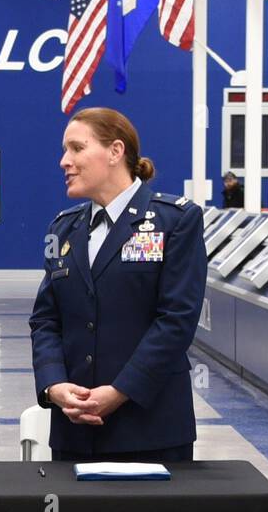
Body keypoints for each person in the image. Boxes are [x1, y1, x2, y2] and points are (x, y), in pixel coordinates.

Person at [30, 107, 207, 463]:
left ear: (115, 151)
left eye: (76, 148)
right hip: (74, 430)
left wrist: (120, 391)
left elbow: (177, 319)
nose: (65, 161)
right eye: (65, 150)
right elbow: (46, 320)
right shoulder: (62, 229)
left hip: (151, 429)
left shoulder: (176, 220)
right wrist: (54, 386)